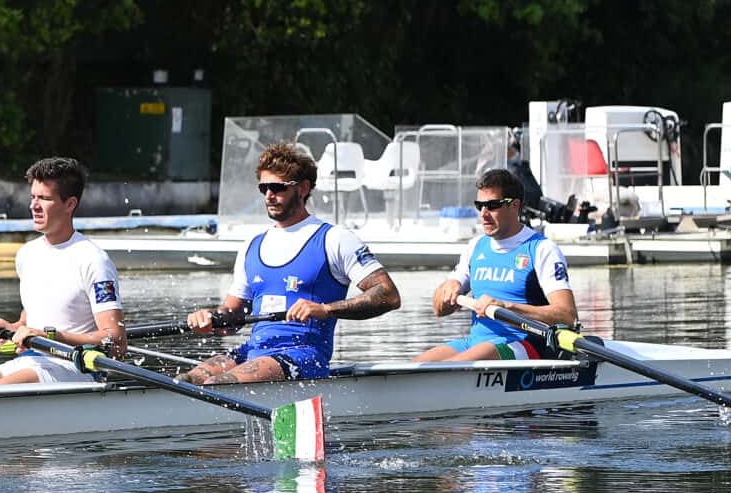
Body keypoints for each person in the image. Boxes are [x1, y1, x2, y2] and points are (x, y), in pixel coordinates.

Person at [179, 141, 400, 383]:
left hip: (303, 355)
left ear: (304, 188)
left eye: (277, 187)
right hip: (252, 351)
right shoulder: (251, 245)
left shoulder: (335, 239)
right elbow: (233, 317)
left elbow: (388, 295)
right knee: (186, 381)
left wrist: (325, 310)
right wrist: (210, 318)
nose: (269, 195)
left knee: (217, 384)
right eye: (263, 188)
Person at [0, 157, 127, 386]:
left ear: (70, 204)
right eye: (33, 197)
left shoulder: (93, 260)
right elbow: (30, 318)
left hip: (74, 367)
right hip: (30, 360)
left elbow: (115, 340)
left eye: (44, 198)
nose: (33, 206)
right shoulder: (27, 254)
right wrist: (12, 327)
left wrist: (50, 336)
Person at [412, 167, 578, 363]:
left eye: (492, 206)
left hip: (524, 343)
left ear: (514, 206)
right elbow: (438, 311)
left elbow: (567, 316)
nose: (483, 214)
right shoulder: (475, 247)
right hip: (475, 342)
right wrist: (446, 290)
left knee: (452, 367)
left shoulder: (542, 249)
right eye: (479, 205)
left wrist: (507, 306)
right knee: (416, 366)